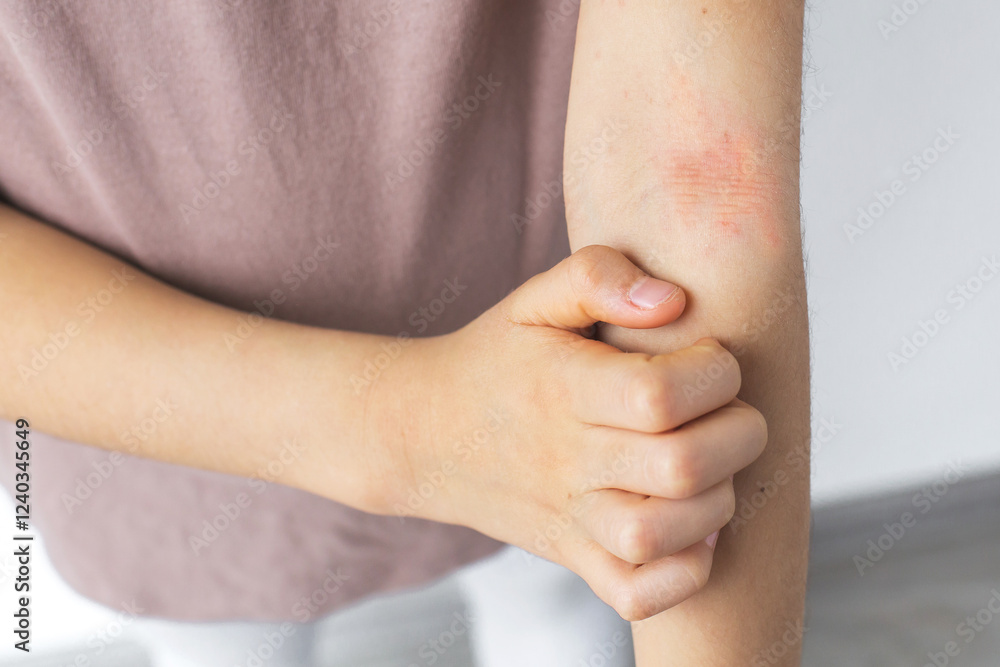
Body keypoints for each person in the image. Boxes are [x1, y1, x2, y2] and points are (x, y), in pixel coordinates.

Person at [0, 0, 810, 664]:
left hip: (558, 381)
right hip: (152, 414)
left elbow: (704, 180)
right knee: (228, 636)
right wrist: (414, 429)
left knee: (568, 604)